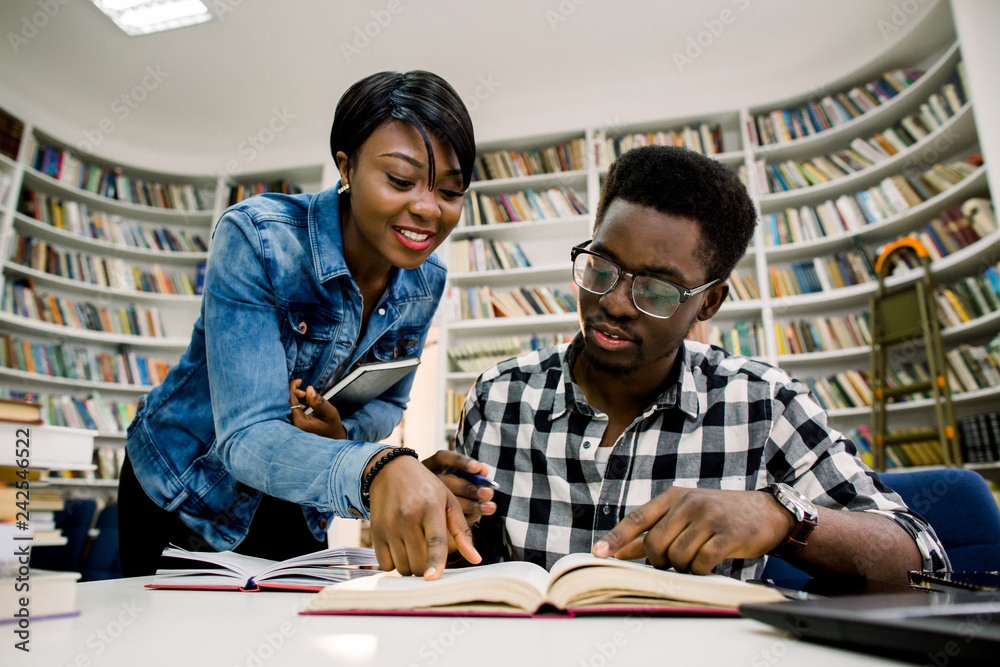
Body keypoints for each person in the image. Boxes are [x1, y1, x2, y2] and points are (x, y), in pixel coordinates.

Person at [455, 145, 949, 583]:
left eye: (658, 288)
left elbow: (923, 563)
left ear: (709, 303)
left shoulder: (764, 404)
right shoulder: (500, 396)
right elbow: (469, 570)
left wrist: (781, 518)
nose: (617, 302)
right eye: (602, 267)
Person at [120, 70, 493, 580]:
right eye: (401, 181)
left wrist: (344, 433)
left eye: (449, 190)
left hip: (298, 494)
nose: (427, 208)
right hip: (186, 488)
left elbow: (387, 401)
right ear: (346, 166)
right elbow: (246, 436)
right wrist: (376, 468)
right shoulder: (257, 239)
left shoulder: (427, 280)